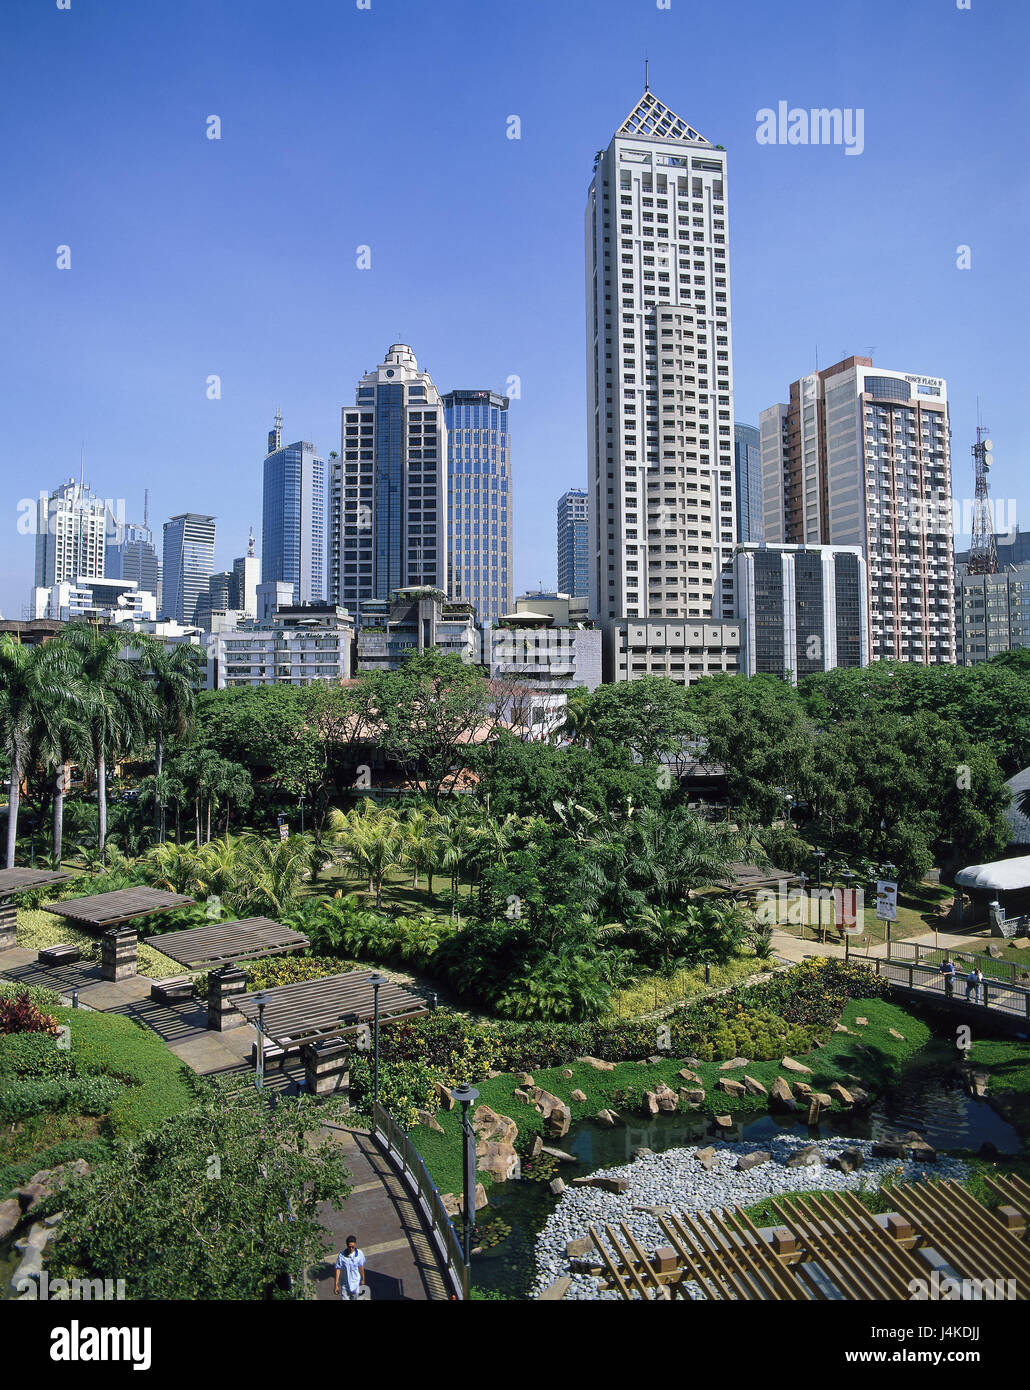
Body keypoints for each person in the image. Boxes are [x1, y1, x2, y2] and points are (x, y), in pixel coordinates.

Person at [333, 1235, 367, 1301]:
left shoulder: (359, 1254)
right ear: (347, 1245)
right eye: (349, 1247)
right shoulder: (341, 1255)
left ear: (355, 1244)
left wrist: (363, 1280)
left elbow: (361, 1267)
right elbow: (338, 1269)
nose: (351, 1249)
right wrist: (336, 1285)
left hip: (355, 1283)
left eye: (353, 1247)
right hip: (345, 1284)